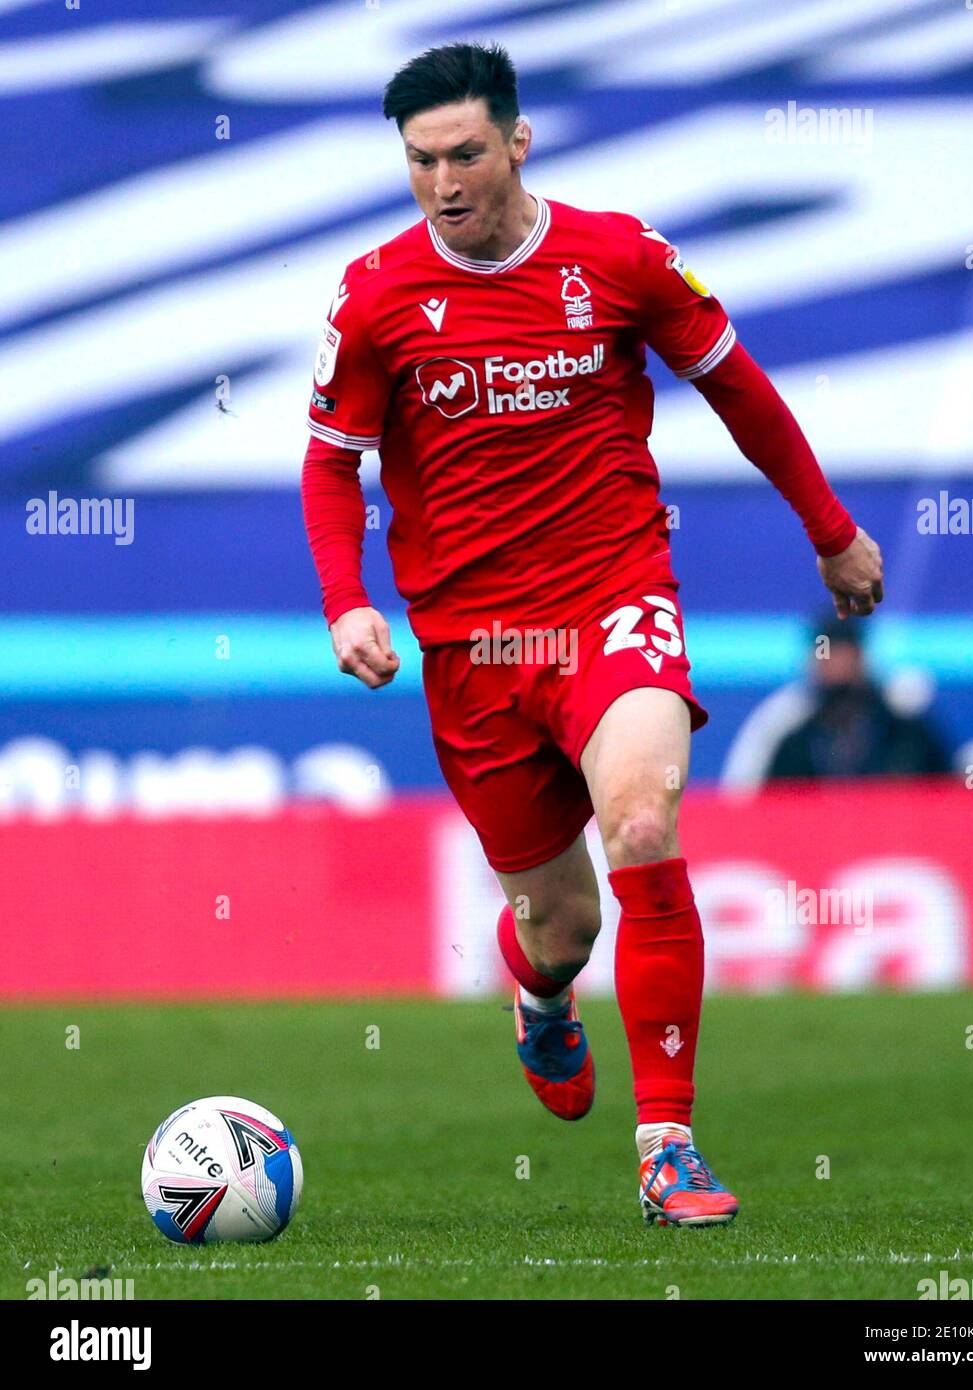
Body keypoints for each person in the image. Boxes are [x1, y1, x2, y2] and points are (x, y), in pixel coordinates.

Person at [300, 42, 884, 1227]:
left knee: (640, 816)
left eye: (466, 153)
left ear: (519, 143)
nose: (444, 182)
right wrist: (345, 600)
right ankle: (540, 995)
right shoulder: (373, 297)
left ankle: (665, 1143)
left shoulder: (616, 257)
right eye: (419, 161)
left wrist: (829, 532)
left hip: (610, 597)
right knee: (560, 927)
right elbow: (329, 463)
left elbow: (738, 387)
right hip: (473, 647)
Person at [765, 615, 950, 781]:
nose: (834, 665)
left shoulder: (908, 738)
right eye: (825, 656)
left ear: (860, 658)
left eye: (842, 654)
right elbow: (777, 807)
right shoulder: (796, 747)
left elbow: (947, 795)